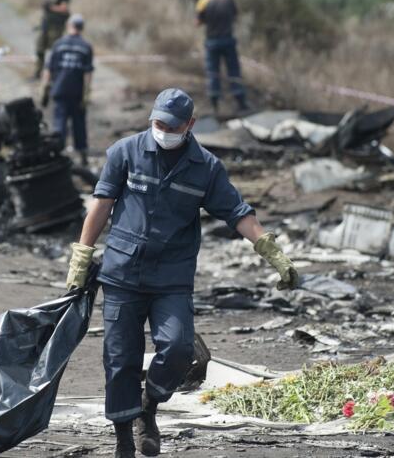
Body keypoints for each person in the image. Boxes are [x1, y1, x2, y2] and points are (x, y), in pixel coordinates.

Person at [64, 88, 298, 458]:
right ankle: (123, 438)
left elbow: (238, 212)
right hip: (122, 272)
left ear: (189, 125)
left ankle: (149, 407)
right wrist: (82, 255)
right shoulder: (124, 152)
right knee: (120, 357)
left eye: (172, 125)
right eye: (158, 123)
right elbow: (102, 205)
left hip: (171, 276)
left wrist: (272, 252)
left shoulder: (205, 168)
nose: (163, 129)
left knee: (177, 349)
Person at [41, 13, 94, 166]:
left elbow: (48, 69)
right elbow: (88, 73)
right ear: (82, 28)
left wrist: (44, 89)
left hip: (59, 90)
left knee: (59, 124)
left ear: (68, 26)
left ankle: (58, 156)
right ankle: (83, 156)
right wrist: (86, 94)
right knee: (79, 124)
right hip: (77, 93)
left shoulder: (58, 44)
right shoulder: (86, 46)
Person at [196, 0, 249, 114]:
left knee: (213, 72)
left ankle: (214, 105)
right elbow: (236, 16)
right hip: (228, 39)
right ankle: (241, 102)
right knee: (234, 70)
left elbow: (198, 22)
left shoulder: (204, 1)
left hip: (212, 41)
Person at [33, 0, 71, 79]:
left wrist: (51, 7)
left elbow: (64, 9)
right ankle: (38, 72)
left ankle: (55, 74)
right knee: (39, 48)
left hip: (56, 26)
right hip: (45, 25)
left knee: (55, 50)